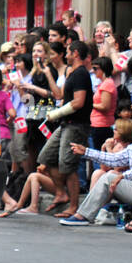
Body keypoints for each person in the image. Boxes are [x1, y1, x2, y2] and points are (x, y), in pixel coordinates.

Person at [34, 40, 93, 217]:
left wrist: (57, 113)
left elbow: (78, 102)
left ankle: (74, 207)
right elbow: (59, 95)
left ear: (75, 53)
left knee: (69, 166)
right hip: (66, 124)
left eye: (68, 52)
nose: (65, 55)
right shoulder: (71, 73)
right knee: (45, 156)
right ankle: (61, 193)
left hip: (76, 125)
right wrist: (48, 74)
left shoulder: (81, 74)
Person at [61, 122, 132, 224]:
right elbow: (113, 159)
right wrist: (86, 152)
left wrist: (123, 175)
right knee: (108, 177)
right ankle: (82, 215)